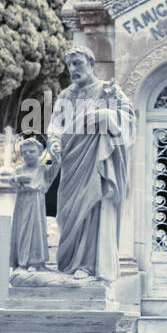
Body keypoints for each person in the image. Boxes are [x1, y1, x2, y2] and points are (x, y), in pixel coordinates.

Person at [47, 47, 133, 282]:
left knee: (92, 206)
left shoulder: (108, 91)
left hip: (96, 159)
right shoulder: (66, 96)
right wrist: (53, 140)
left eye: (77, 63)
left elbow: (129, 118)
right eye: (69, 65)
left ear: (91, 64)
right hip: (71, 161)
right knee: (69, 213)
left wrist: (106, 115)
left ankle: (87, 264)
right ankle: (68, 263)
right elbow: (55, 124)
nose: (73, 69)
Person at [9, 137, 57, 273]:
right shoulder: (19, 170)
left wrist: (55, 153)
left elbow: (56, 167)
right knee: (21, 231)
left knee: (36, 231)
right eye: (25, 152)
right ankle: (21, 262)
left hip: (36, 203)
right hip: (21, 203)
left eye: (31, 151)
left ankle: (35, 262)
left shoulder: (43, 169)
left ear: (39, 152)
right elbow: (11, 181)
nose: (28, 154)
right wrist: (16, 179)